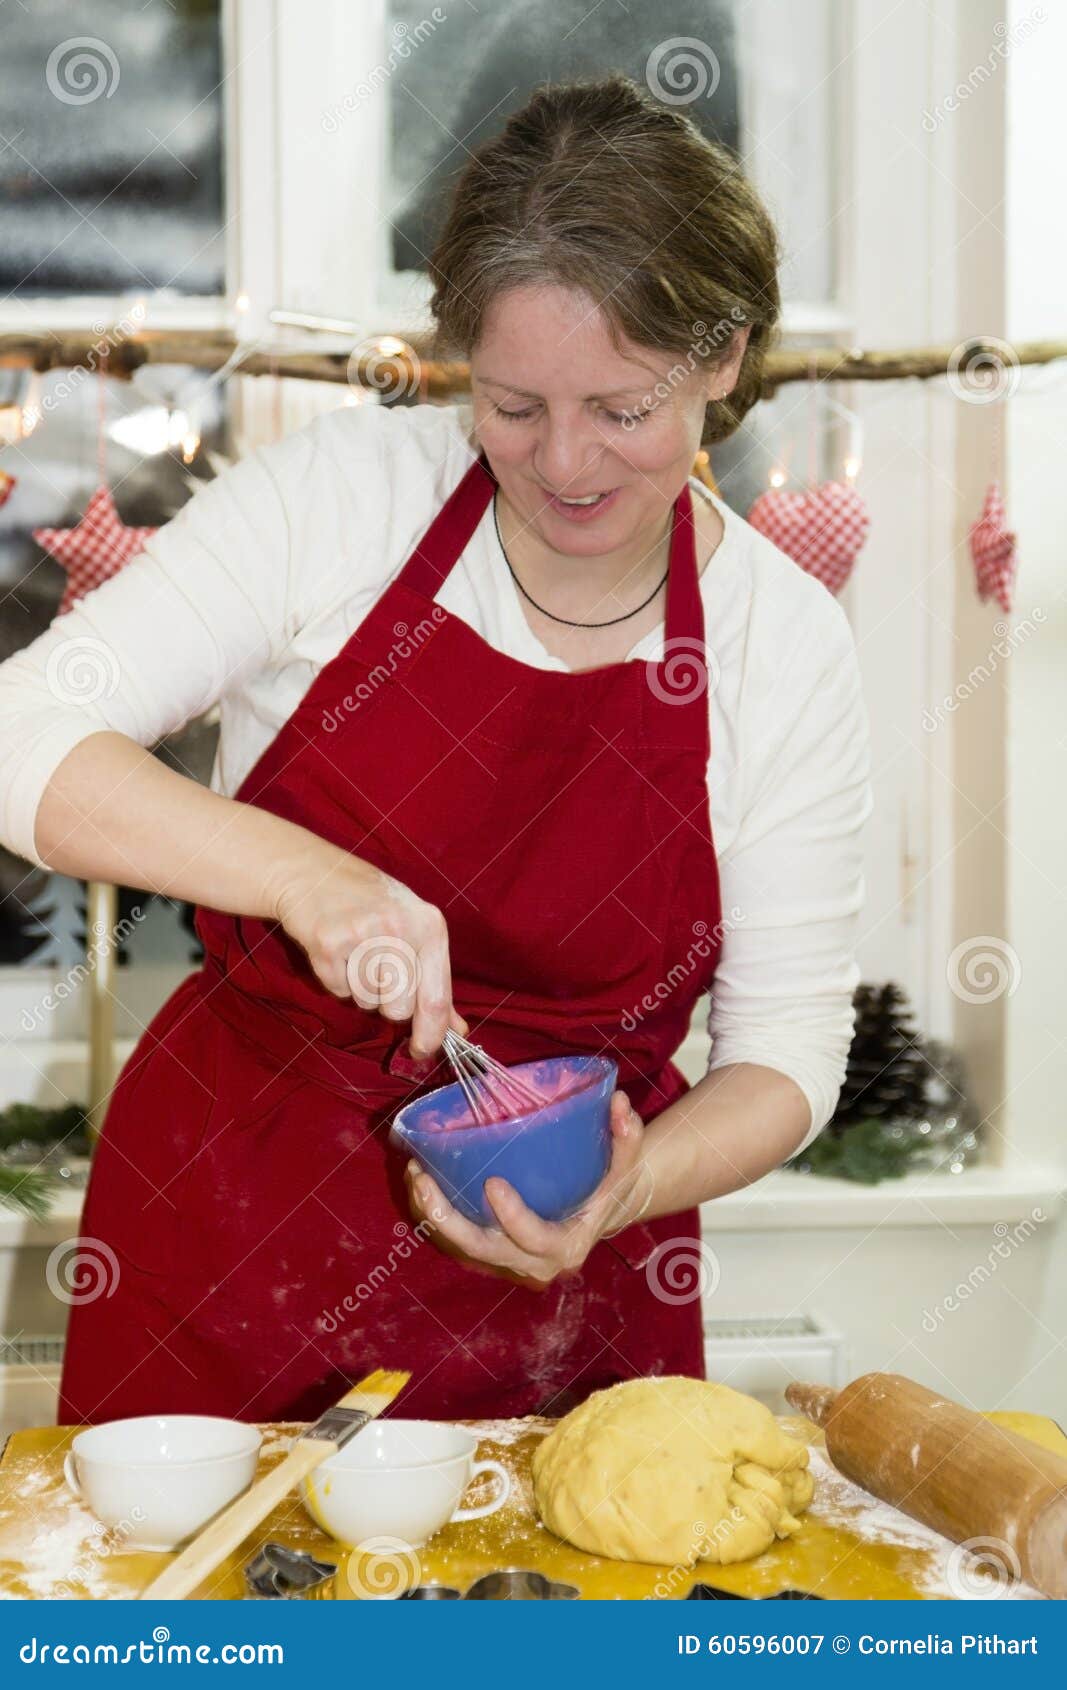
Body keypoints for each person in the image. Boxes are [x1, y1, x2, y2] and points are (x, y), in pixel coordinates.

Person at [0, 76, 871, 1425]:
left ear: (723, 359)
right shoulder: (346, 500)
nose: (565, 461)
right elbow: (22, 735)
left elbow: (790, 1050)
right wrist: (305, 878)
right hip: (232, 1247)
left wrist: (626, 1186)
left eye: (622, 409)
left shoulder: (783, 642)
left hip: (572, 1301)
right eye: (514, 405)